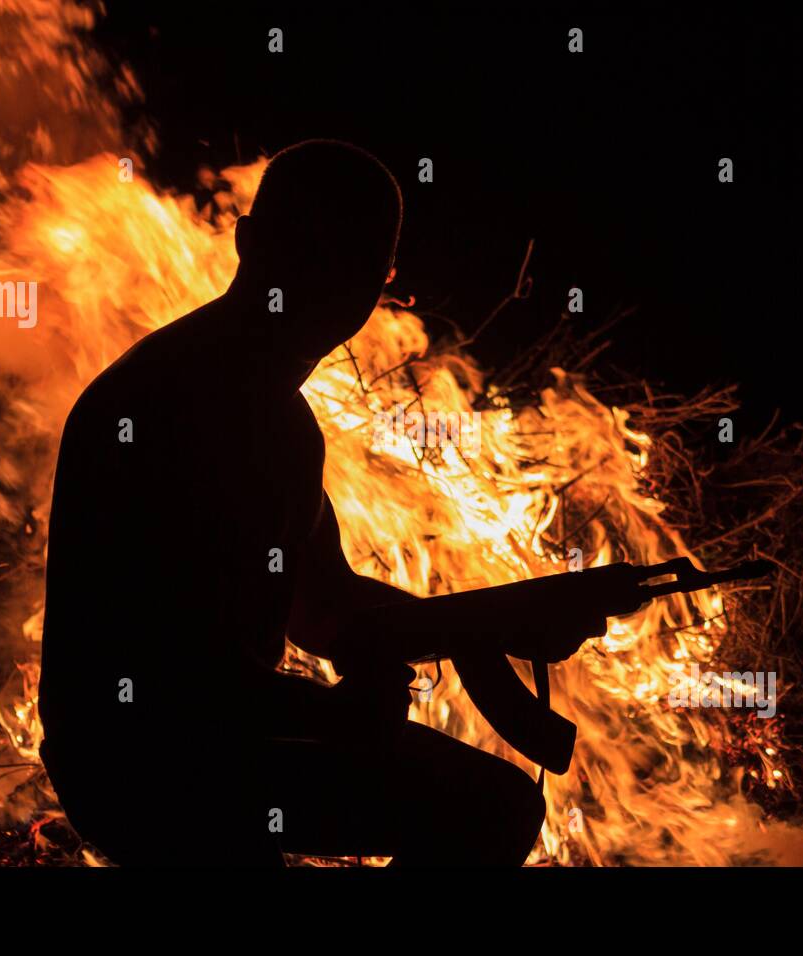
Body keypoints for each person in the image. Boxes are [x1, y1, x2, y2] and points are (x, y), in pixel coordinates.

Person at [38, 140, 604, 865]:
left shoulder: (282, 423)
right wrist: (333, 716)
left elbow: (326, 608)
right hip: (141, 758)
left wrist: (495, 621)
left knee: (491, 799)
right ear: (250, 241)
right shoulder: (170, 398)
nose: (327, 279)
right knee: (489, 805)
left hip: (209, 739)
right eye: (308, 249)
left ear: (384, 282)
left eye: (356, 262)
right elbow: (169, 675)